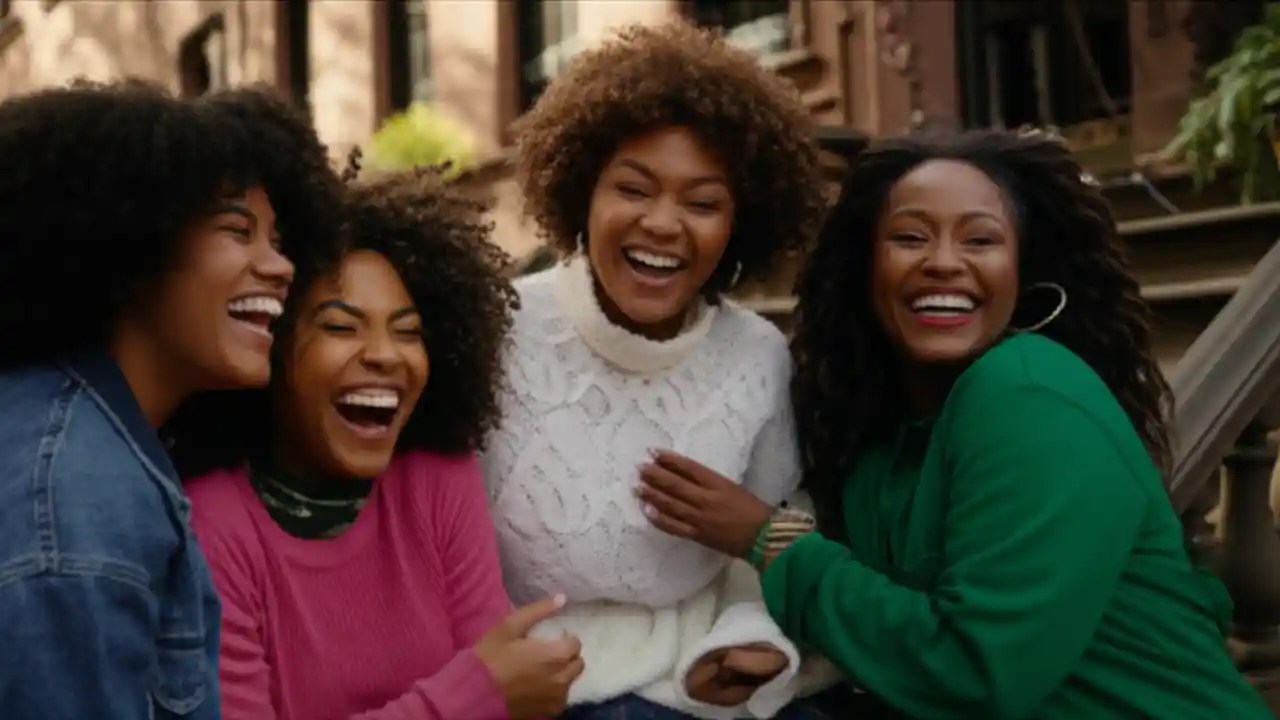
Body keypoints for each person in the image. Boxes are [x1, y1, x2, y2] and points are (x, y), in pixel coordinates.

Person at [635, 130, 1273, 718]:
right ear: (865, 268)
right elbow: (881, 617)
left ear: (1022, 274)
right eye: (910, 237)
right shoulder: (872, 432)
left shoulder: (1028, 393)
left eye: (980, 240)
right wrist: (774, 643)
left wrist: (768, 537)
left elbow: (978, 671)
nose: (944, 262)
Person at [481, 20, 837, 719]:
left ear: (740, 223)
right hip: (536, 686)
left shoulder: (757, 355)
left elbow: (765, 538)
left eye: (703, 203)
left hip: (692, 674)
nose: (663, 224)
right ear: (582, 193)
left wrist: (745, 640)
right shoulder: (500, 327)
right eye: (634, 190)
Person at [171, 164, 583, 720]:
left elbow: (508, 686)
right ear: (270, 347)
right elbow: (494, 691)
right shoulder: (212, 522)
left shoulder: (437, 475)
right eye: (341, 327)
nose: (386, 354)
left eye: (408, 331)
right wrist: (469, 698)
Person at [0, 80, 343, 718]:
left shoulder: (74, 436)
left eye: (277, 238)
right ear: (134, 241)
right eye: (238, 231)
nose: (281, 266)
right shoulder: (77, 498)